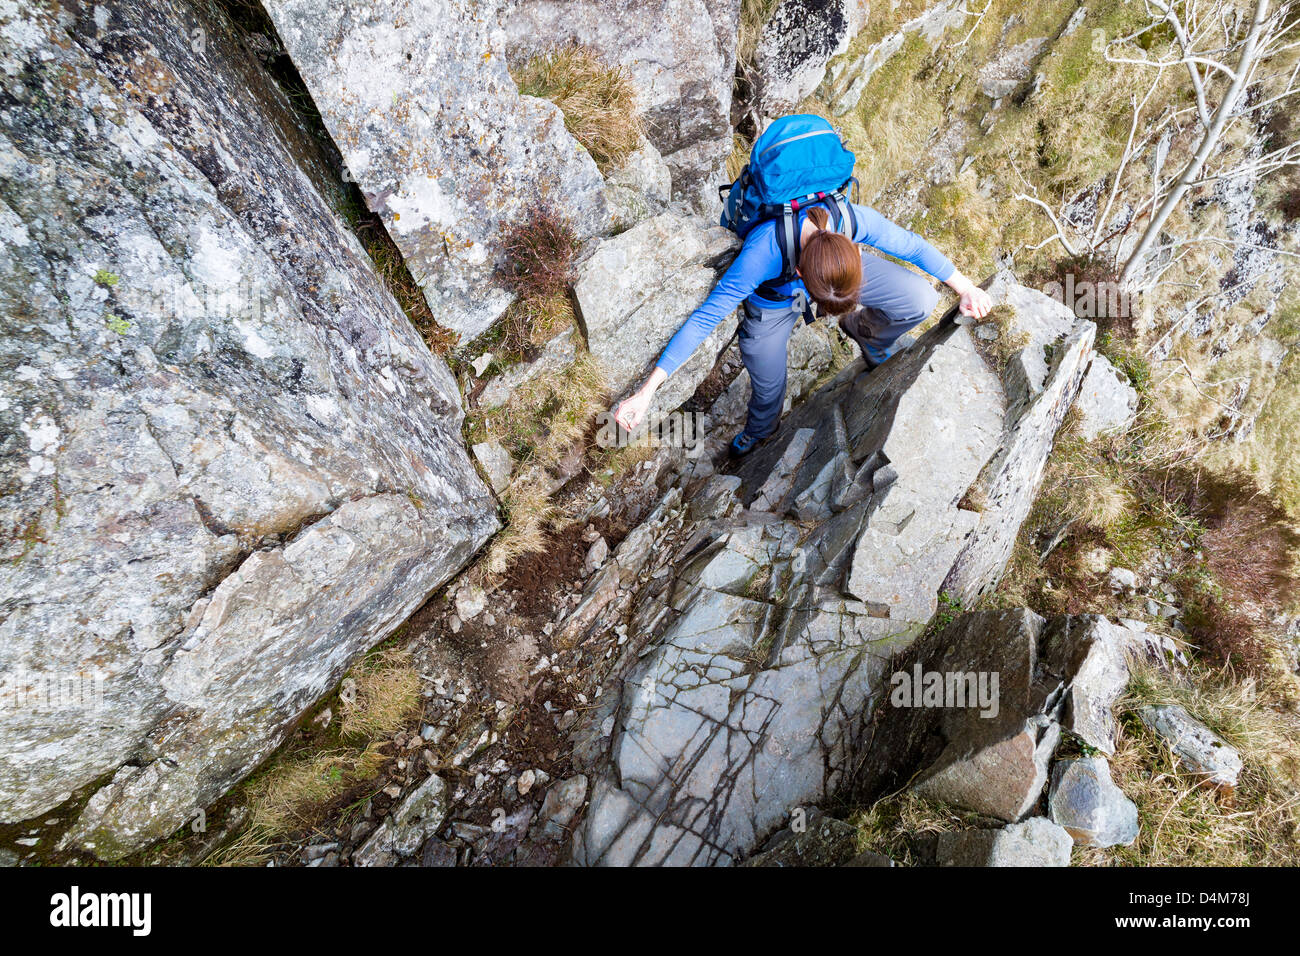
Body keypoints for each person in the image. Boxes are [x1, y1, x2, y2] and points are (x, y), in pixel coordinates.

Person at [614, 201, 993, 455]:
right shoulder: (763, 254)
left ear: (851, 245)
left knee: (920, 299)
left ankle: (868, 333)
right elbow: (706, 317)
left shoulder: (849, 220)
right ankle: (761, 431)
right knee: (769, 384)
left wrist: (965, 287)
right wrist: (648, 390)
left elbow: (911, 246)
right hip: (774, 303)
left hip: (836, 276)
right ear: (799, 273)